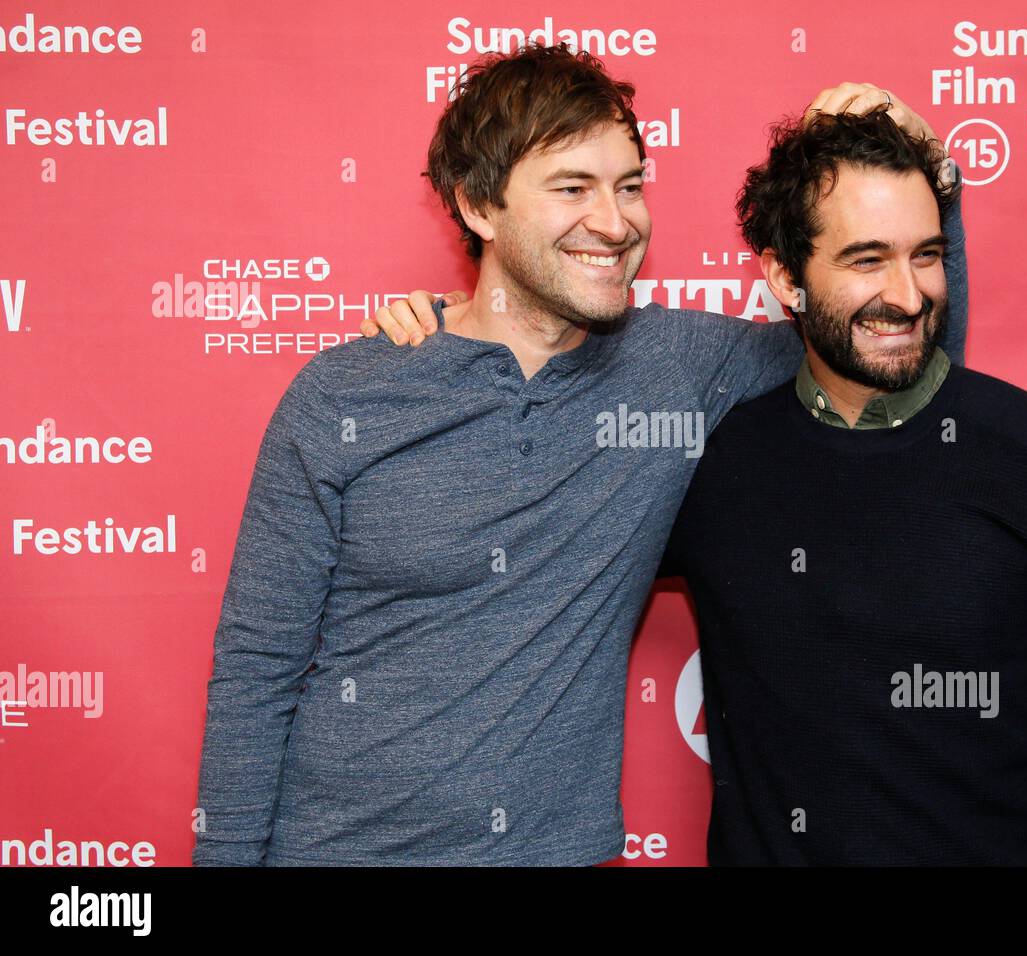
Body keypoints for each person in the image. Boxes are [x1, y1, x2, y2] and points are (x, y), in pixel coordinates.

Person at [192, 44, 969, 865]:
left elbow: (895, 352)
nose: (615, 220)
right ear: (479, 206)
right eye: (572, 188)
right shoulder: (347, 393)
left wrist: (939, 192)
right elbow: (255, 674)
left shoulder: (681, 368)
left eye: (629, 185)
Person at [655, 108, 1027, 865]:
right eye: (866, 260)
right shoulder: (712, 464)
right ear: (784, 277)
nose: (908, 293)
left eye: (925, 254)